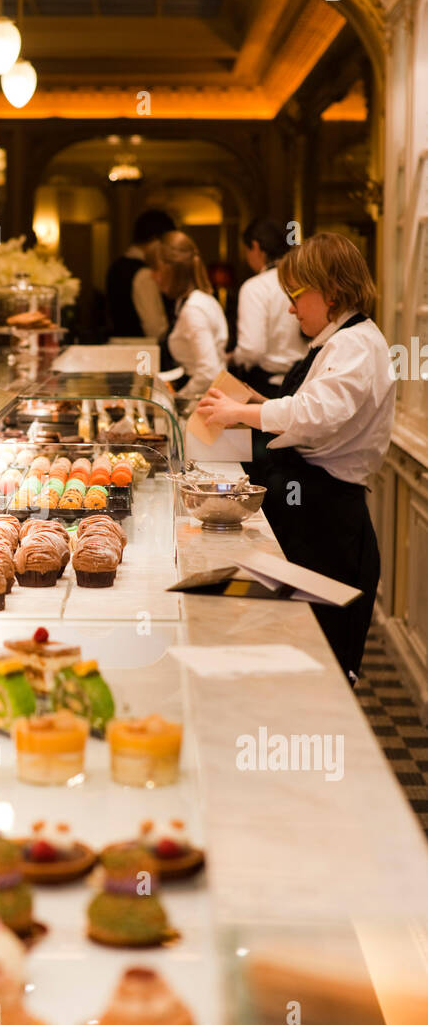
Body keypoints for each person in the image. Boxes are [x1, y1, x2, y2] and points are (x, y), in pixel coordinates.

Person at [195, 233, 394, 682]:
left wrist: (240, 411)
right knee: (296, 642)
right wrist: (254, 402)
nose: (290, 308)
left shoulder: (355, 344)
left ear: (332, 290)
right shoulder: (337, 341)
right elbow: (310, 409)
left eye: (297, 295)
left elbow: (316, 413)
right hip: (313, 509)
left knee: (320, 656)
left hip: (329, 521)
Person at [230, 217, 307, 394]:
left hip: (268, 386)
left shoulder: (256, 287)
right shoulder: (304, 280)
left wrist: (234, 358)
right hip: (304, 382)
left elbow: (252, 349)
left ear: (255, 247)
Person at [149, 231, 227, 396]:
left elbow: (209, 372)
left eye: (156, 269)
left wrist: (179, 399)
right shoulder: (194, 301)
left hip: (201, 402)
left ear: (170, 270)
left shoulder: (193, 309)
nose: (153, 276)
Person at [105, 208, 174, 340]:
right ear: (156, 240)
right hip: (143, 353)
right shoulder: (145, 274)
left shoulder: (116, 266)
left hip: (119, 346)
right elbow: (155, 329)